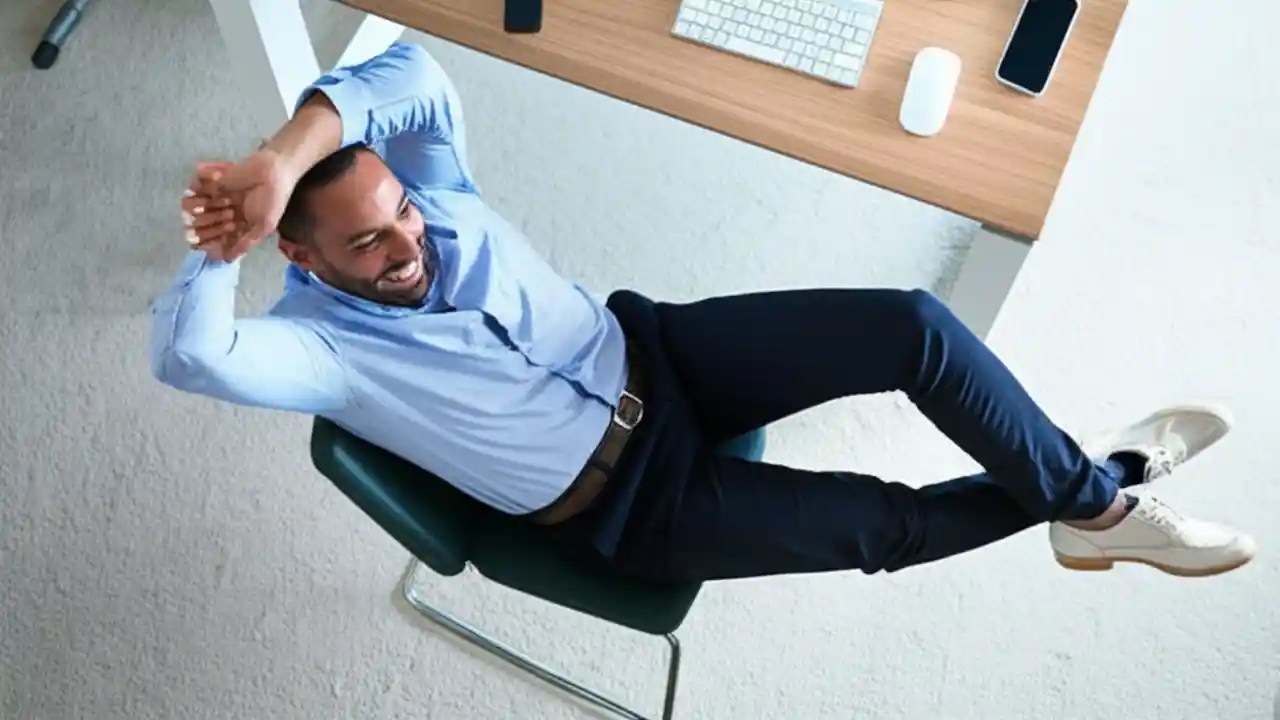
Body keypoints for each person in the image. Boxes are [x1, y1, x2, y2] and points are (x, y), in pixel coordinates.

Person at [152, 41, 1255, 584]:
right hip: (629, 507)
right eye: (368, 244)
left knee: (911, 326)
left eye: (399, 213)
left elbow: (414, 66)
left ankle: (1088, 501)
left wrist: (286, 147)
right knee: (883, 523)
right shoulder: (322, 353)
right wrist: (220, 242)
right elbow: (190, 357)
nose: (410, 244)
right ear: (297, 255)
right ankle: (1105, 488)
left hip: (658, 351)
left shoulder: (431, 192)